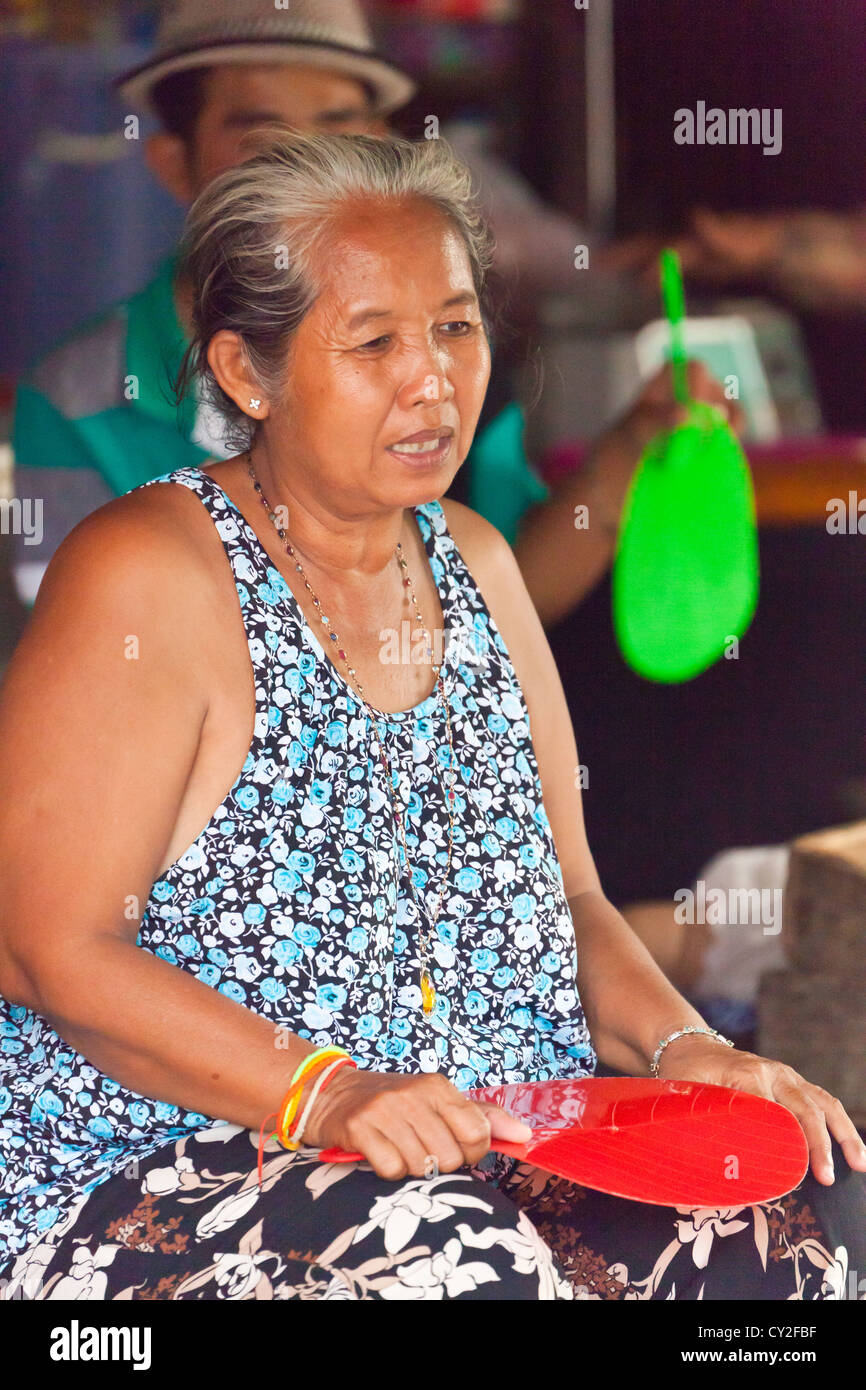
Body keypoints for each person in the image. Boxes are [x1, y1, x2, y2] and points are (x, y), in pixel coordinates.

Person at [1, 132, 863, 1302]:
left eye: (455, 329)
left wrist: (689, 1053)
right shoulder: (151, 572)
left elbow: (567, 899)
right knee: (468, 1270)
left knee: (799, 1222)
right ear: (247, 375)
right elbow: (46, 947)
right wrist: (328, 1091)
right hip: (175, 1166)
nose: (432, 380)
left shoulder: (477, 561)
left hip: (488, 1138)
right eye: (373, 343)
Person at [9, 0, 733, 619]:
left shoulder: (445, 366)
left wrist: (620, 468)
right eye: (264, 141)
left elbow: (499, 613)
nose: (312, 164)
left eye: (338, 127)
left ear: (380, 145)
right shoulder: (75, 402)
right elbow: (102, 668)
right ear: (174, 163)